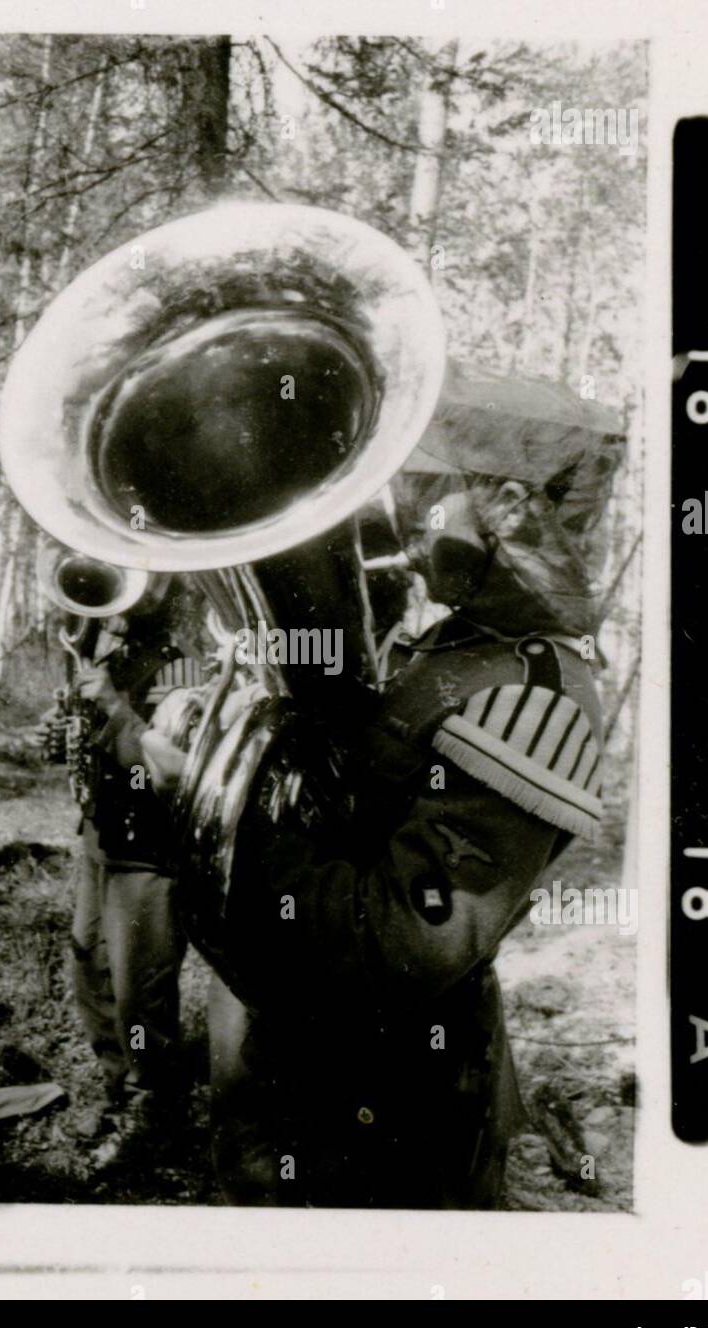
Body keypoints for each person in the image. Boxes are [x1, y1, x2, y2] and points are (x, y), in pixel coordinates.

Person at [191, 363, 623, 1207]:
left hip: (396, 1098)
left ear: (509, 508)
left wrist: (244, 840)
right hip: (315, 1059)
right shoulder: (453, 653)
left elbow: (397, 942)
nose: (402, 527)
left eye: (429, 494)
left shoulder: (525, 693)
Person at [40, 587, 206, 1163]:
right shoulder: (103, 651)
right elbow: (92, 743)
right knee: (90, 965)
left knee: (141, 992)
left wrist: (114, 708)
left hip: (149, 849)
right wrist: (63, 735)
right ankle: (115, 1086)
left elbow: (173, 772)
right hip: (100, 839)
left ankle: (155, 1108)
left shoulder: (179, 663)